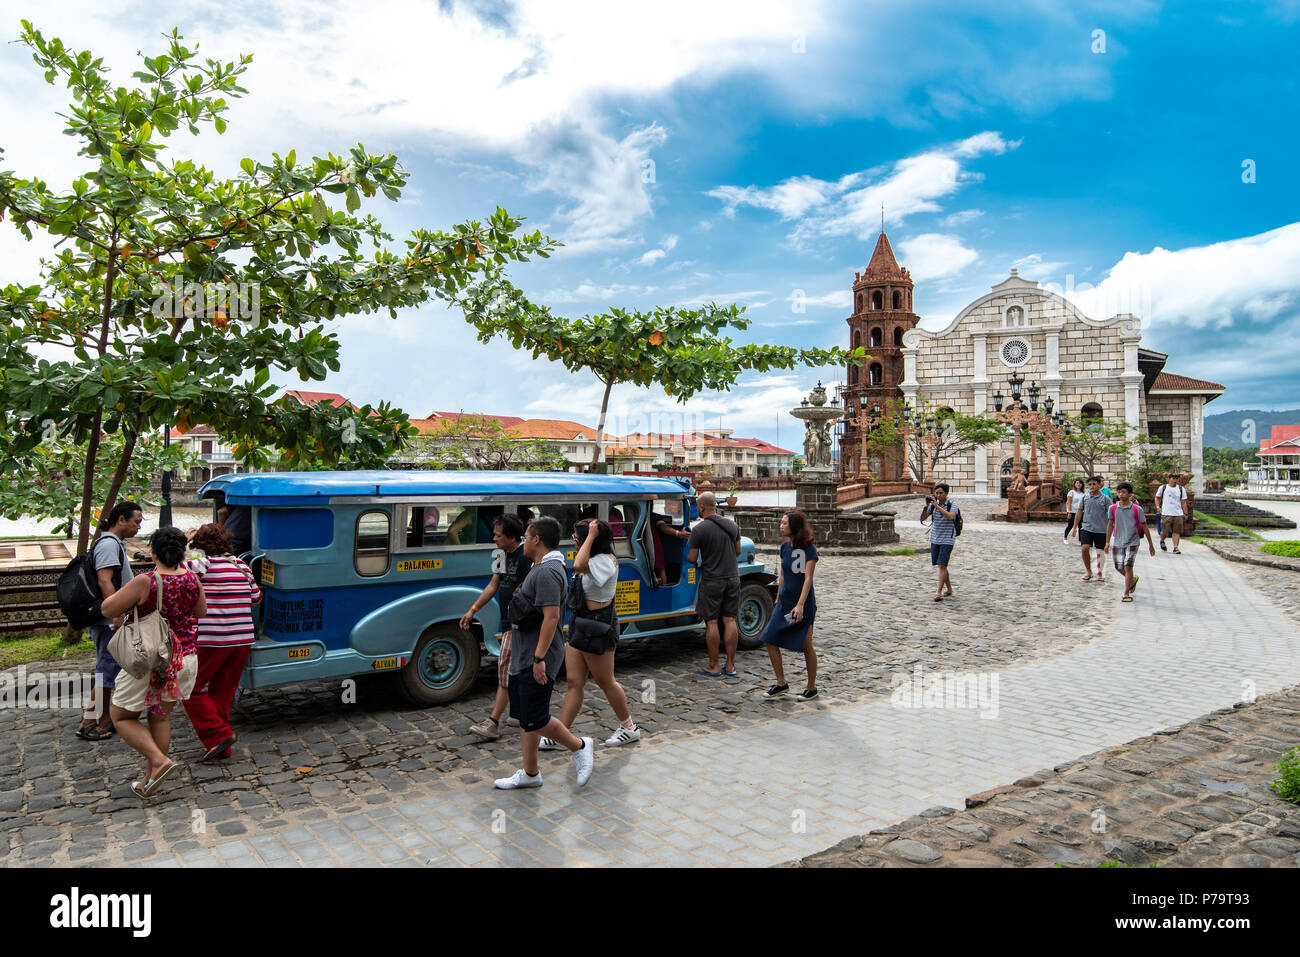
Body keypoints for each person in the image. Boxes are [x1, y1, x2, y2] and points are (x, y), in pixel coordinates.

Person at [100, 526, 206, 798]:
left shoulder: (147, 581)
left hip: (150, 658)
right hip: (183, 658)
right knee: (160, 717)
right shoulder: (193, 579)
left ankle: (159, 762)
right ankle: (149, 781)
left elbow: (107, 608)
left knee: (121, 716)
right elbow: (200, 611)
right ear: (182, 551)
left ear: (154, 551)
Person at [493, 517, 594, 790]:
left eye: (526, 536)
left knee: (536, 717)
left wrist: (539, 659)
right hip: (524, 652)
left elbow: (552, 618)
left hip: (538, 656)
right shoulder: (540, 567)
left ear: (536, 539)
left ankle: (580, 746)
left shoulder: (548, 571)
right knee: (526, 718)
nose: (524, 541)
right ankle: (530, 772)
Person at [539, 518, 641, 749]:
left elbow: (578, 565)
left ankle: (629, 727)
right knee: (574, 682)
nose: (574, 541)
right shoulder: (592, 558)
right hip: (580, 623)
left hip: (598, 626)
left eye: (577, 538)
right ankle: (561, 734)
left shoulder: (605, 561)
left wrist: (591, 535)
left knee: (606, 681)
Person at [182, 523, 261, 761]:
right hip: (242, 638)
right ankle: (221, 747)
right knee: (223, 692)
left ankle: (218, 734)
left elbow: (174, 574)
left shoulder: (198, 566)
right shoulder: (241, 566)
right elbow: (256, 597)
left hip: (211, 639)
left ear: (201, 544)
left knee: (189, 688)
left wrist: (187, 544)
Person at [76, 502, 144, 742]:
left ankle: (105, 720)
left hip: (111, 618)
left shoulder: (113, 543)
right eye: (136, 521)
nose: (138, 526)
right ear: (121, 520)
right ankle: (88, 723)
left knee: (111, 670)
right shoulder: (107, 544)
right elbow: (105, 580)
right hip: (109, 621)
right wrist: (116, 612)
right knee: (106, 671)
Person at [465, 514, 532, 740]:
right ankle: (519, 714)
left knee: (505, 670)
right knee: (515, 670)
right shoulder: (500, 554)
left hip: (519, 624)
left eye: (498, 535)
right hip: (507, 622)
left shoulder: (525, 557)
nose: (493, 538)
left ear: (512, 537)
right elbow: (494, 585)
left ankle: (493, 723)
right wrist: (473, 609)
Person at [758, 510, 819, 699]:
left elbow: (808, 578)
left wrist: (800, 604)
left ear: (794, 526)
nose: (781, 525)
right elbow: (783, 574)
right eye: (781, 522)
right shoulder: (784, 547)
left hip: (803, 603)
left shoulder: (809, 549)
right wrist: (778, 597)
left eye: (785, 523)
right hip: (784, 602)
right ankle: (781, 683)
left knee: (806, 645)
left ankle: (811, 687)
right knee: (769, 638)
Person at [687, 491, 742, 677]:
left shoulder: (699, 530)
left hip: (712, 579)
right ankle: (730, 665)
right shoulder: (732, 525)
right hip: (733, 577)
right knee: (730, 620)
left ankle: (713, 665)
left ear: (701, 507)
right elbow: (738, 551)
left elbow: (692, 559)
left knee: (711, 622)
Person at [1104, 482, 1155, 602]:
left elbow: (1145, 527)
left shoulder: (1137, 509)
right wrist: (1107, 542)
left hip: (1133, 540)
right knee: (1118, 566)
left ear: (1129, 494)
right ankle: (1132, 579)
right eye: (1119, 492)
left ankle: (1126, 593)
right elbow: (1110, 525)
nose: (1121, 494)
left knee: (1128, 565)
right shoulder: (1113, 508)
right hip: (1118, 540)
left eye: (1124, 492)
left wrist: (1151, 545)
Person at [921, 483, 959, 601]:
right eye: (936, 493)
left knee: (942, 565)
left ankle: (938, 592)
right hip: (935, 538)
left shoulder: (953, 505)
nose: (938, 495)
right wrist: (927, 506)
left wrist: (937, 506)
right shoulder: (932, 505)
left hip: (948, 538)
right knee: (941, 565)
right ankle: (949, 589)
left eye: (941, 493)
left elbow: (951, 517)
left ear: (946, 493)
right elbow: (923, 518)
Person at [1078, 476, 1113, 583]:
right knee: (1084, 548)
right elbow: (1079, 511)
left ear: (1099, 485)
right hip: (1087, 528)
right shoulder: (1085, 498)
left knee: (1100, 552)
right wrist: (1075, 527)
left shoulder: (1105, 499)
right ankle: (1088, 571)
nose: (1092, 487)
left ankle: (1099, 572)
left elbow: (1112, 513)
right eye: (1090, 485)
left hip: (1101, 529)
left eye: (1094, 484)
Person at [1158, 472, 1189, 554]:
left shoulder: (1181, 489)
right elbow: (1157, 497)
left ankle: (1175, 547)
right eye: (1173, 478)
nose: (1175, 480)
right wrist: (1158, 507)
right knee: (1165, 531)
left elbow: (1184, 502)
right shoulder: (1163, 488)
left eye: (1177, 478)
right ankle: (1162, 540)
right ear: (1169, 479)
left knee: (1176, 531)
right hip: (1166, 512)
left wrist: (1185, 513)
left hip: (1178, 513)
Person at [1064, 478, 1086, 542]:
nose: (1078, 484)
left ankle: (1080, 540)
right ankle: (1065, 537)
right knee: (1070, 525)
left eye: (1080, 483)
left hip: (1081, 512)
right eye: (1077, 483)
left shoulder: (1083, 494)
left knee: (1080, 526)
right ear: (1075, 484)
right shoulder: (1071, 492)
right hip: (1073, 511)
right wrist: (1069, 512)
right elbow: (1069, 502)